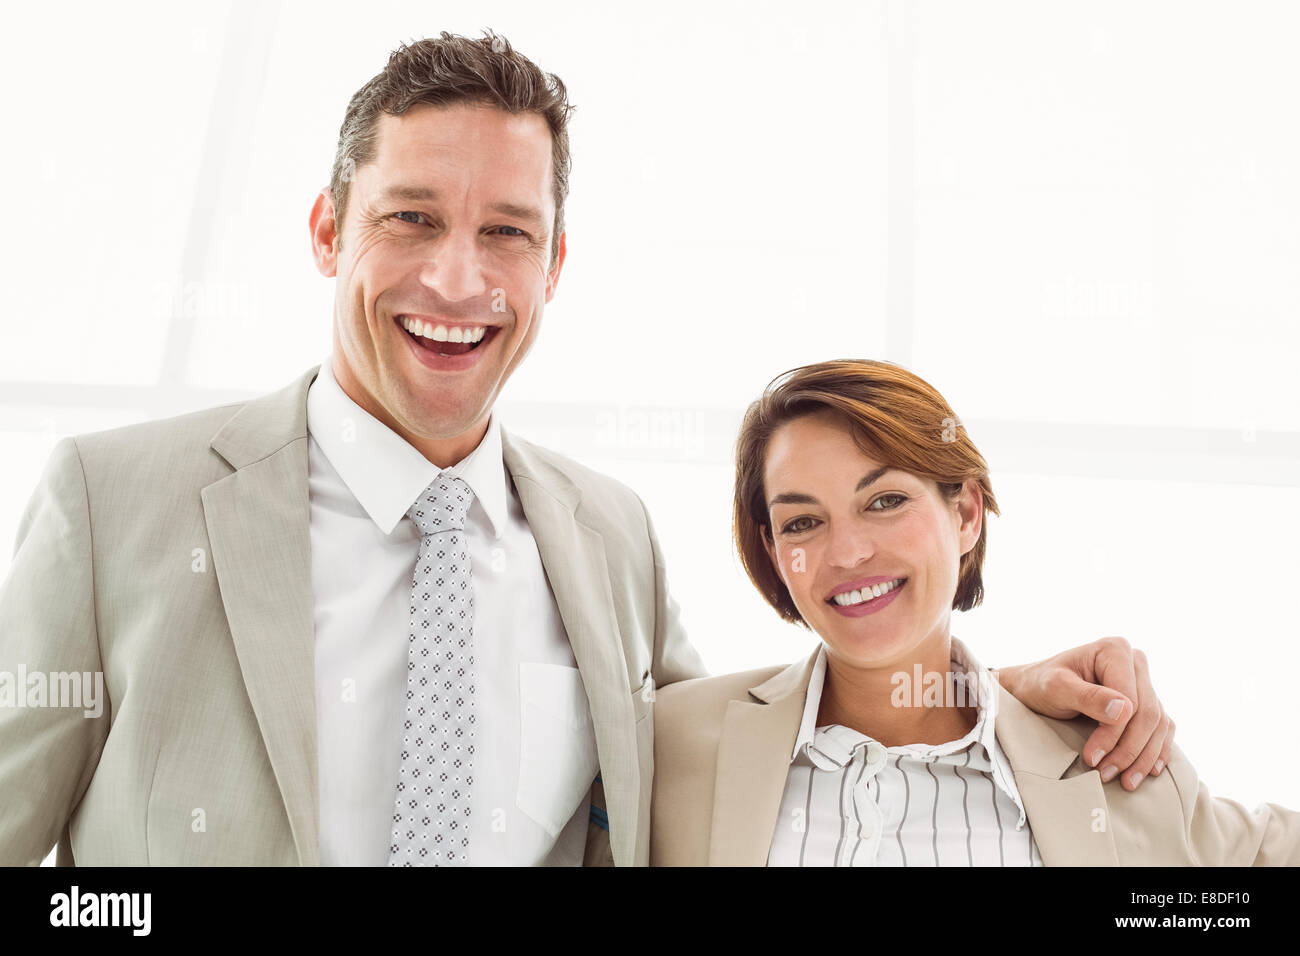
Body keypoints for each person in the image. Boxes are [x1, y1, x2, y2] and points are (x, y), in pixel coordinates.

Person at [0, 33, 1170, 868]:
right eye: (410, 217)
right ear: (326, 229)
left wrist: (985, 693)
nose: (458, 279)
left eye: (507, 232)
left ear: (553, 266)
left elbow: (746, 755)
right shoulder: (115, 501)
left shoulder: (607, 534)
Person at [651, 359, 1300, 865]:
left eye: (884, 501)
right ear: (772, 548)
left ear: (964, 512)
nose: (846, 552)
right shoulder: (672, 745)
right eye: (802, 521)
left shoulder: (1110, 768)